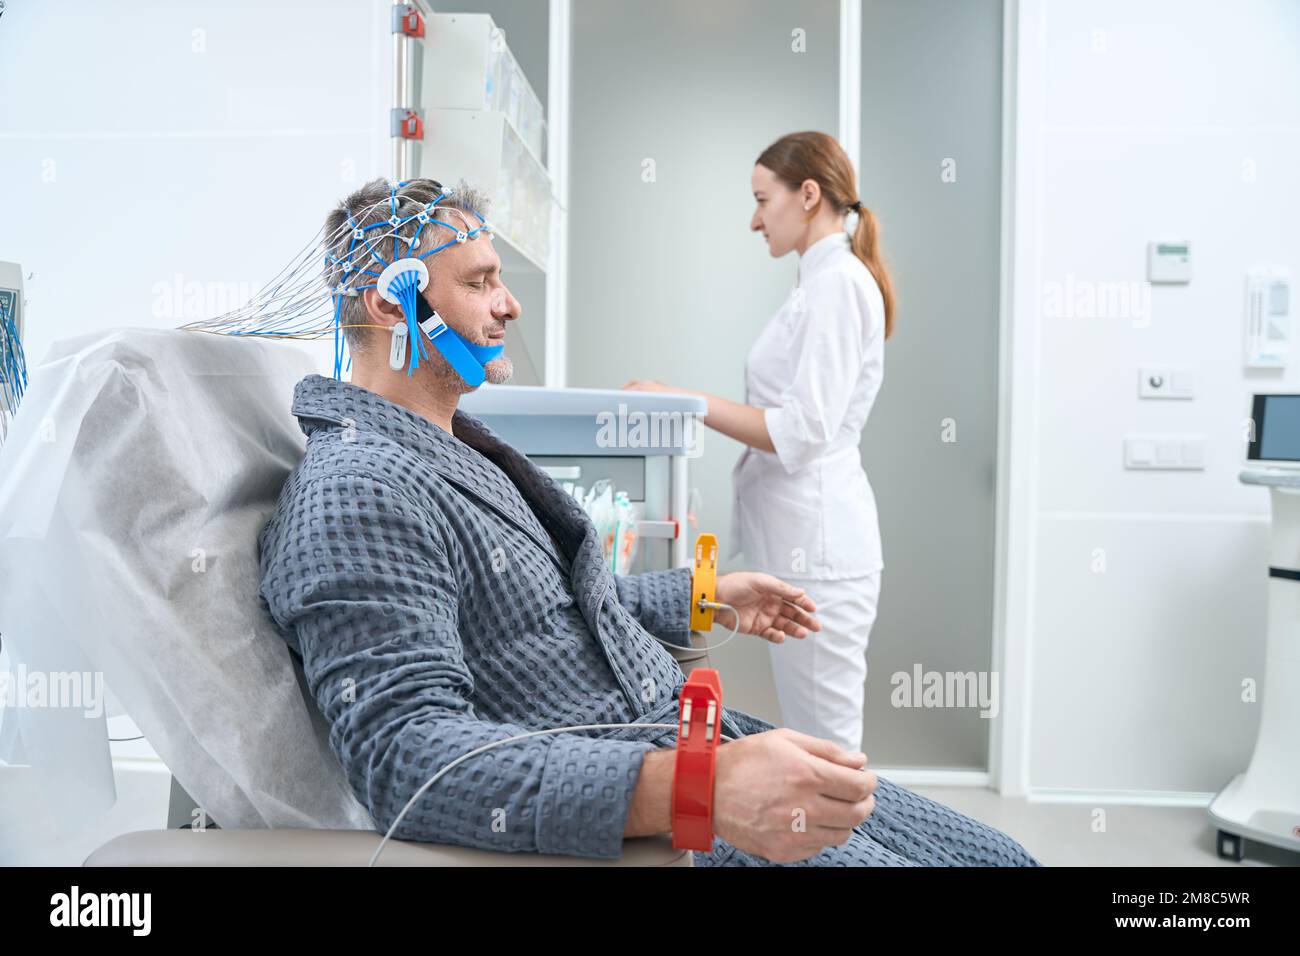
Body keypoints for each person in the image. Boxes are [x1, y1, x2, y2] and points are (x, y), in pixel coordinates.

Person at [257, 177, 1037, 866]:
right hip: (671, 809)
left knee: (1001, 857)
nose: (510, 303)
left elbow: (547, 616)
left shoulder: (451, 449)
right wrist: (696, 789)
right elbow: (408, 759)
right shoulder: (358, 492)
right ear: (394, 300)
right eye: (482, 281)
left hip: (697, 744)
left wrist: (702, 595)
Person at [625, 131, 892, 755]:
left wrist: (682, 398)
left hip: (821, 549)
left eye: (761, 198)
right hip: (804, 542)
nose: (754, 219)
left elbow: (799, 431)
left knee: (828, 752)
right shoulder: (818, 282)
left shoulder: (838, 284)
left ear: (807, 195)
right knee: (815, 742)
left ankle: (852, 854)